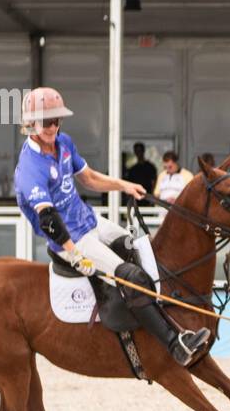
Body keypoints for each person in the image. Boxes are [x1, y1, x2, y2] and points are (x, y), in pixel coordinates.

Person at [14, 85, 209, 366]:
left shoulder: (64, 143)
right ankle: (174, 344)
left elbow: (89, 178)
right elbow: (48, 220)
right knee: (132, 275)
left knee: (142, 248)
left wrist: (124, 186)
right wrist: (74, 253)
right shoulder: (30, 168)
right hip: (70, 239)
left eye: (57, 120)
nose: (53, 127)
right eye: (46, 121)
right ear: (30, 123)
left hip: (89, 220)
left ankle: (157, 315)